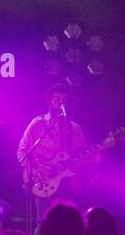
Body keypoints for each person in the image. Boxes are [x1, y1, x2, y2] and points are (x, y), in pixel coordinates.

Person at [17, 83, 106, 219]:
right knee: (44, 224)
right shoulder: (37, 124)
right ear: (49, 101)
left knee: (69, 224)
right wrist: (39, 168)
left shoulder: (74, 129)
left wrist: (99, 150)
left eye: (63, 99)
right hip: (44, 183)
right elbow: (22, 152)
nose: (60, 102)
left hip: (69, 183)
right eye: (56, 98)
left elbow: (83, 156)